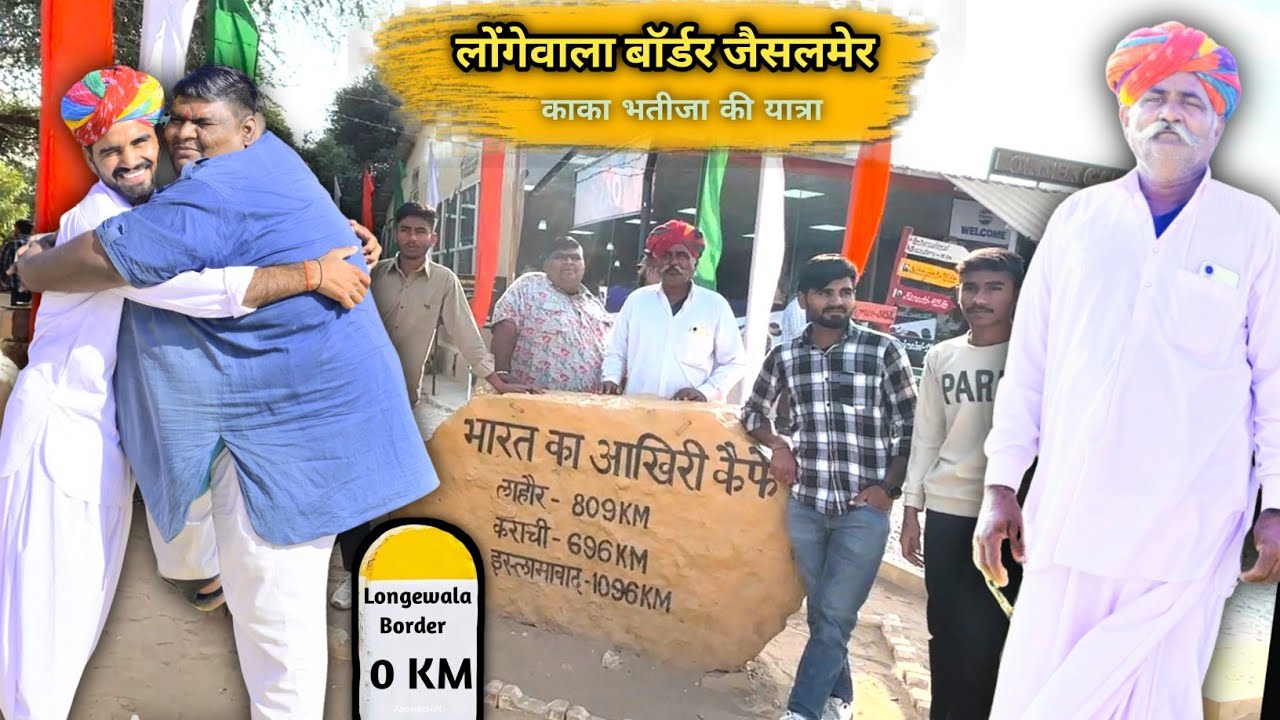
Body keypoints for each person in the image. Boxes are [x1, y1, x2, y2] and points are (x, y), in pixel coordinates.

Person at [16, 64, 436, 718]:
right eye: (172, 120)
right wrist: (314, 264)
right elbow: (193, 272)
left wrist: (30, 269)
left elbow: (171, 277)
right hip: (75, 433)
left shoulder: (199, 198)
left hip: (280, 441)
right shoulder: (246, 171)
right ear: (91, 153)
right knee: (54, 616)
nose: (176, 136)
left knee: (270, 614)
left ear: (248, 128)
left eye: (196, 124)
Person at [972, 22, 1280, 720]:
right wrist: (1000, 485)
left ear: (1219, 121)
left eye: (1192, 99)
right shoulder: (1077, 221)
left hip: (1189, 530)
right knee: (1037, 698)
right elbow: (1031, 366)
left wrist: (1276, 503)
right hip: (1069, 522)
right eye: (1156, 96)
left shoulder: (1255, 227)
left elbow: (1277, 379)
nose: (1171, 111)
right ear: (1126, 114)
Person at [323, 201, 538, 611]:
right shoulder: (371, 273)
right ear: (395, 233)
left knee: (379, 491)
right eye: (405, 230)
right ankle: (344, 570)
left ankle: (362, 572)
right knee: (344, 483)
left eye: (420, 231)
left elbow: (465, 332)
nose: (412, 238)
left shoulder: (443, 281)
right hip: (348, 394)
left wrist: (494, 378)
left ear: (432, 238)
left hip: (397, 403)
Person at [741, 254, 917, 720]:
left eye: (845, 292)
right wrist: (778, 446)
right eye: (825, 293)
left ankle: (802, 711)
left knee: (836, 613)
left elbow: (912, 425)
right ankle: (839, 699)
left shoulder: (883, 351)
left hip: (864, 510)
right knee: (823, 613)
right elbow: (753, 414)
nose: (837, 301)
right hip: (807, 506)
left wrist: (889, 491)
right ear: (804, 300)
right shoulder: (785, 356)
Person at [899, 248, 1024, 720]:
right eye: (970, 287)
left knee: (989, 634)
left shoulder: (1034, 358)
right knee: (944, 629)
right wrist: (912, 508)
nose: (979, 298)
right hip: (948, 512)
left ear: (1016, 293)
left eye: (994, 287)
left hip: (1009, 517)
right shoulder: (941, 356)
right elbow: (927, 435)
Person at [600, 219, 748, 401]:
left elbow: (735, 362)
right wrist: (611, 379)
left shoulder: (715, 306)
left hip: (689, 418)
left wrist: (705, 392)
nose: (673, 263)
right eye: (666, 255)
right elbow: (616, 350)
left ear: (695, 263)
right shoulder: (637, 301)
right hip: (637, 413)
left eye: (682, 256)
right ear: (656, 261)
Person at [490, 236, 613, 392]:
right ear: (546, 265)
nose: (569, 262)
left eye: (575, 258)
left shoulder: (593, 304)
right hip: (537, 401)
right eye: (560, 257)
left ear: (583, 266)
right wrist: (502, 373)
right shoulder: (528, 286)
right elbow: (505, 325)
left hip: (587, 406)